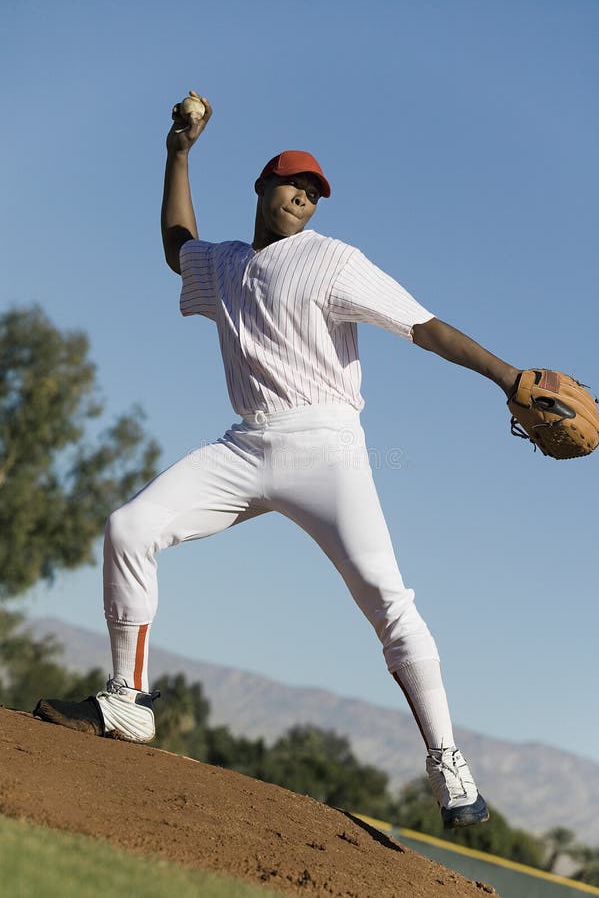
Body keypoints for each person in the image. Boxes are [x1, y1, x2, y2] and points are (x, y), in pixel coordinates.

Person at [35, 93, 521, 830]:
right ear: (261, 188)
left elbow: (421, 327)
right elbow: (176, 248)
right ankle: (126, 702)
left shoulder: (331, 260)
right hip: (245, 445)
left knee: (387, 600)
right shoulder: (227, 265)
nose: (303, 197)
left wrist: (510, 378)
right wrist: (178, 152)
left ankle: (448, 765)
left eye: (314, 192)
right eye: (293, 183)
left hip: (326, 447)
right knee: (129, 528)